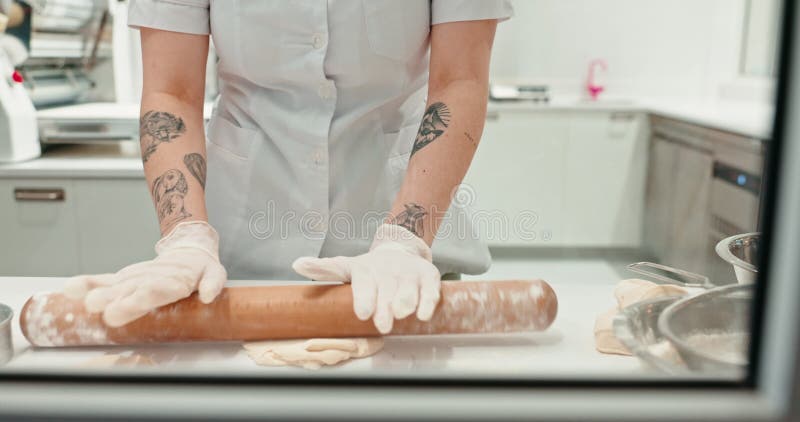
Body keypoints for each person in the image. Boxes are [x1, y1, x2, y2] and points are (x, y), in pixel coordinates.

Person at [65, 0, 513, 334]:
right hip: (239, 250)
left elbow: (460, 82)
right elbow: (172, 92)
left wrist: (404, 242)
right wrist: (186, 236)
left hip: (405, 245)